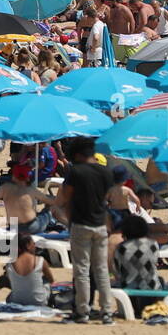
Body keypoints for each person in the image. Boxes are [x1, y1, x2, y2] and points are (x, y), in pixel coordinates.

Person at [55, 138, 114, 324]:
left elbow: (67, 198)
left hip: (81, 223)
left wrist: (70, 221)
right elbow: (106, 198)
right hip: (100, 225)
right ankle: (106, 311)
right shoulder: (106, 172)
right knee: (101, 270)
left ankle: (82, 311)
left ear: (79, 154)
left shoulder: (75, 172)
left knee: (81, 270)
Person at [111, 215, 166, 291]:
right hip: (152, 288)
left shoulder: (121, 247)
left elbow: (116, 270)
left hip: (129, 288)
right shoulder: (153, 244)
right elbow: (154, 263)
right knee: (160, 280)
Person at [0, 234, 55, 306]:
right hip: (39, 302)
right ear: (28, 245)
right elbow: (51, 280)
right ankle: (50, 303)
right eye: (33, 243)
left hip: (16, 301)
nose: (35, 246)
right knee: (45, 281)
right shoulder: (40, 260)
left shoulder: (10, 263)